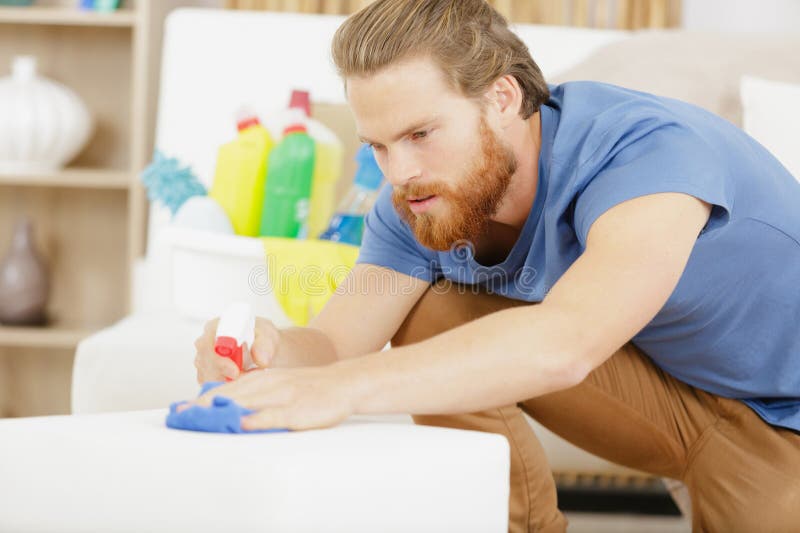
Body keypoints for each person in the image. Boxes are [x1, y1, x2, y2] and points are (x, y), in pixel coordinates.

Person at [188, 1, 800, 530]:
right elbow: (332, 342)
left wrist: (341, 391)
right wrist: (270, 355)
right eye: (378, 146)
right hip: (684, 411)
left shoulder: (646, 154)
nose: (398, 173)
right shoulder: (419, 201)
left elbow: (567, 342)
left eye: (421, 133)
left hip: (786, 431)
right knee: (434, 311)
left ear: (503, 97)